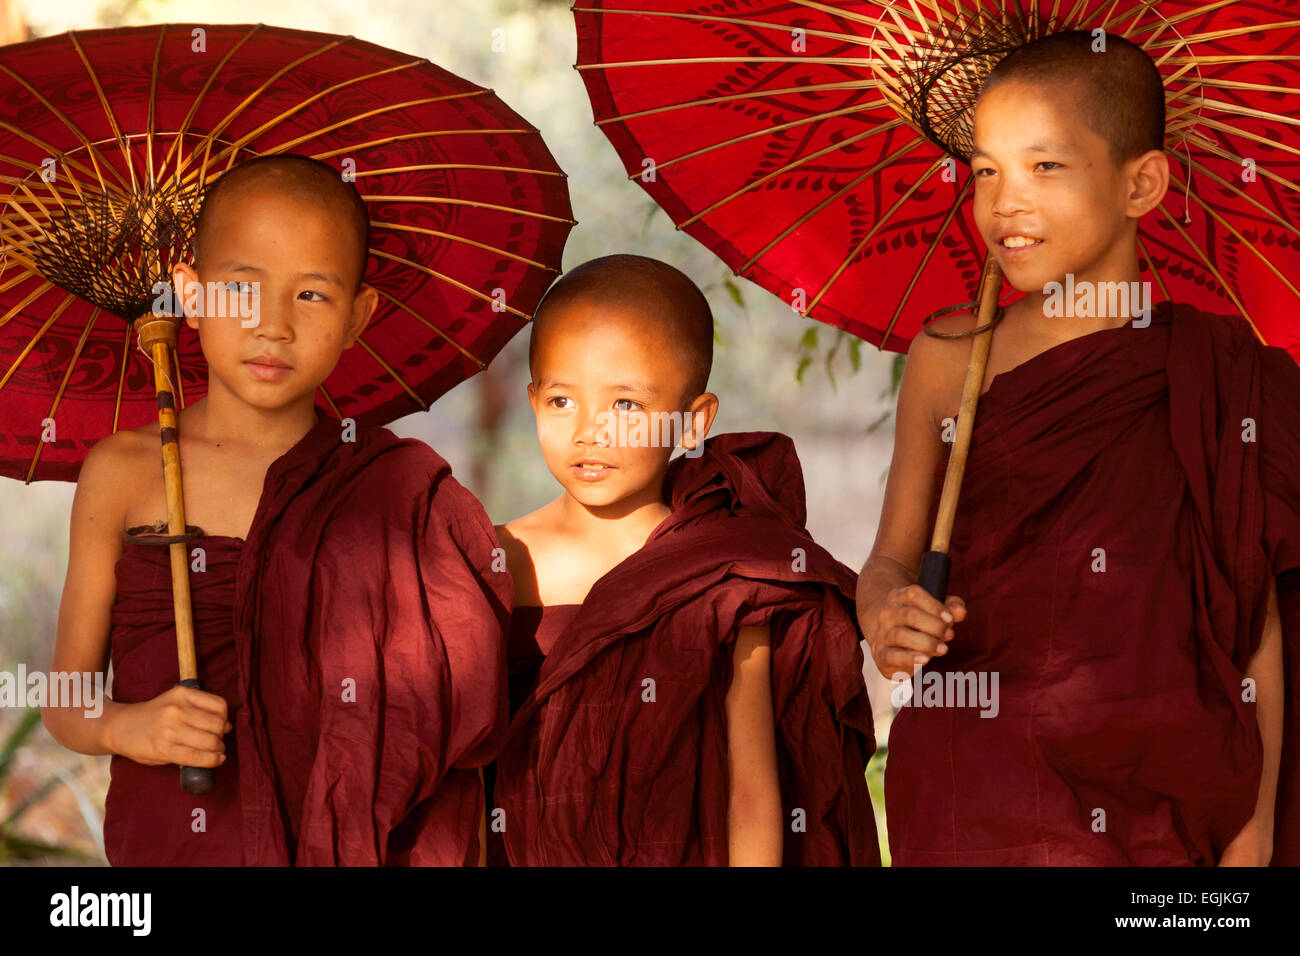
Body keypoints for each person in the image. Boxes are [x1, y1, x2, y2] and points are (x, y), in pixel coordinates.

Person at [858, 31, 1300, 866]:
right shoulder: (950, 357)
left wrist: (1254, 844)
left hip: (1173, 806)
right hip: (973, 786)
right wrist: (886, 612)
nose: (1004, 204)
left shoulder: (1221, 374)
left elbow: (1255, 630)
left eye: (1045, 167)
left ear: (1142, 183)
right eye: (985, 170)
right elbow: (889, 561)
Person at [42, 154, 510, 866]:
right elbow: (65, 698)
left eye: (313, 296)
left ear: (359, 316)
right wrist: (128, 727)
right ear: (189, 297)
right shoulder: (124, 473)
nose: (274, 326)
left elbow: (447, 708)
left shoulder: (391, 488)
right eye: (241, 289)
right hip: (173, 843)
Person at [488, 253, 879, 866]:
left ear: (692, 422)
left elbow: (749, 787)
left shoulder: (721, 568)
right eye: (563, 400)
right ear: (533, 400)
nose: (591, 431)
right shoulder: (491, 562)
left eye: (626, 406)